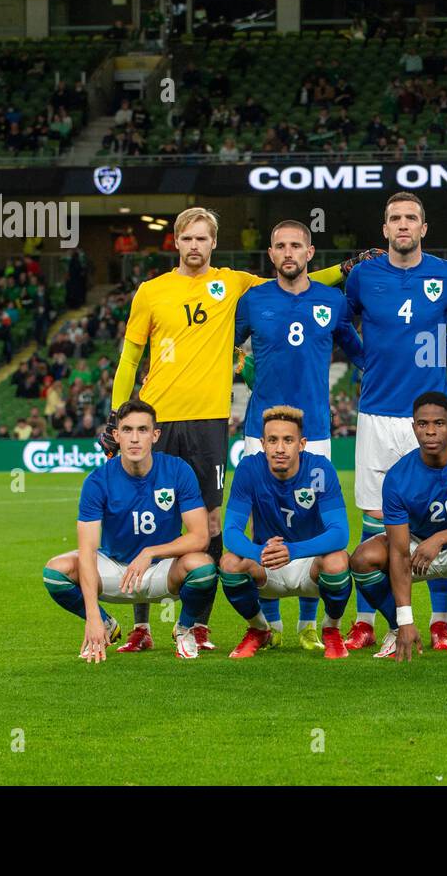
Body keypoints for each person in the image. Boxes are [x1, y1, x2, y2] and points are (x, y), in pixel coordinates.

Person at [102, 207, 376, 653]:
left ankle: (197, 624)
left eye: (202, 239)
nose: (195, 246)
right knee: (148, 518)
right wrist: (118, 417)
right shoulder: (151, 292)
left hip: (210, 420)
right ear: (176, 242)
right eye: (187, 238)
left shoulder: (236, 285)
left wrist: (343, 270)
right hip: (158, 417)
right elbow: (130, 359)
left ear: (214, 243)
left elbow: (298, 282)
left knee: (211, 521)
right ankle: (142, 625)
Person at [343, 192, 447, 652]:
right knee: (375, 521)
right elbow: (341, 323)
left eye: (410, 218)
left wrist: (445, 351)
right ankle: (365, 620)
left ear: (423, 228)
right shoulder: (363, 276)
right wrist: (365, 361)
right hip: (377, 414)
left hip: (429, 416)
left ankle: (438, 621)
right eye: (394, 218)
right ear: (384, 230)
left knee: (434, 515)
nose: (402, 225)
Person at [232, 219, 364, 651]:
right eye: (280, 246)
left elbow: (360, 353)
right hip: (260, 430)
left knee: (310, 516)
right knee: (259, 522)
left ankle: (310, 622)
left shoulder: (332, 300)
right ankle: (270, 623)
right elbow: (224, 347)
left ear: (310, 253)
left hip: (316, 430)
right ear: (270, 255)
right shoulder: (253, 301)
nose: (288, 253)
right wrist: (242, 367)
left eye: (296, 246)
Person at [42, 399, 218, 661]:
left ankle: (184, 628)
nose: (134, 439)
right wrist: (93, 617)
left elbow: (201, 536)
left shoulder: (178, 470)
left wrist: (151, 551)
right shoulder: (97, 480)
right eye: (127, 430)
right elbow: (87, 551)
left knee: (203, 567)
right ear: (116, 435)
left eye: (142, 430)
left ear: (155, 435)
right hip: (114, 568)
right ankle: (108, 625)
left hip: (162, 569)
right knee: (55, 572)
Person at [349, 392, 447, 660]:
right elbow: (400, 552)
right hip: (417, 547)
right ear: (414, 427)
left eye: (438, 423)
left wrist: (441, 538)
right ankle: (395, 627)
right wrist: (405, 619)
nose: (430, 431)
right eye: (423, 424)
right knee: (364, 558)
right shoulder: (398, 477)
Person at [218, 406, 353, 660]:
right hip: (267, 562)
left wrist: (293, 550)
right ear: (263, 443)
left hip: (309, 565)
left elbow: (340, 533)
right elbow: (231, 533)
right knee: (229, 562)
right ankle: (259, 629)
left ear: (301, 444)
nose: (280, 448)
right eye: (273, 440)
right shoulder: (249, 469)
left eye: (288, 440)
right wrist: (258, 553)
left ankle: (331, 629)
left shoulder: (319, 470)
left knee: (337, 560)